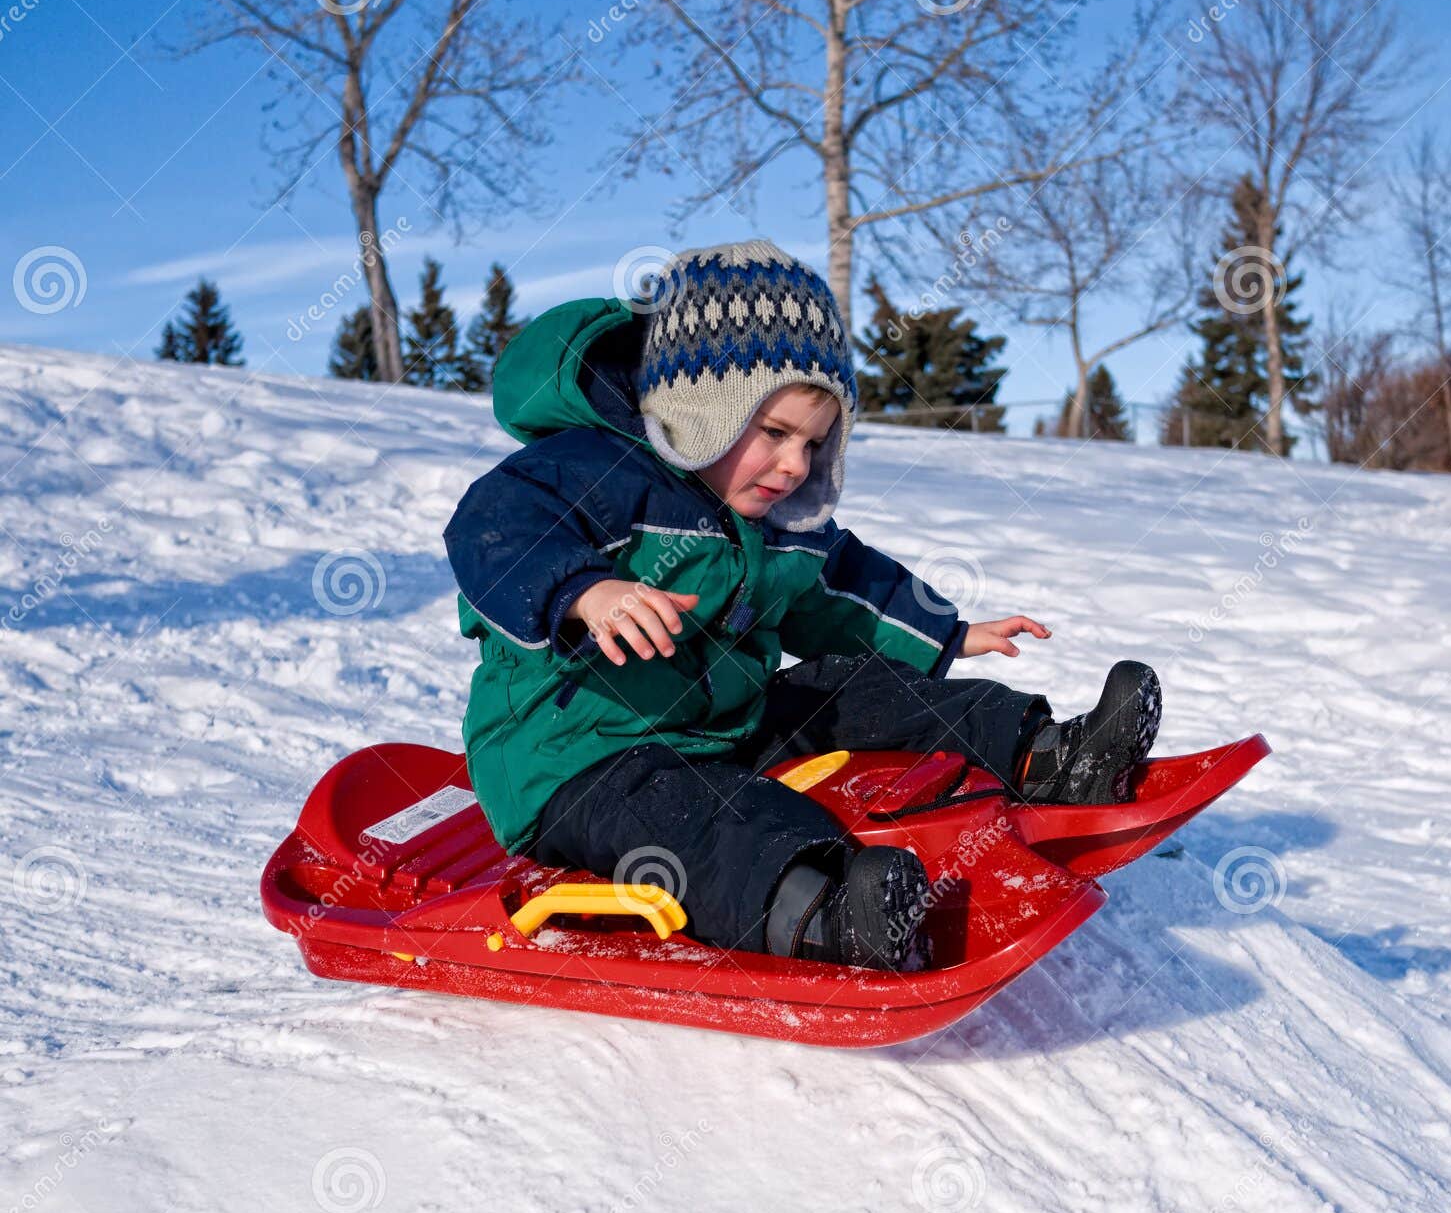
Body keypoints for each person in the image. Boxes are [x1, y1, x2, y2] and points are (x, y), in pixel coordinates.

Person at [443, 239, 1160, 972]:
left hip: (724, 727)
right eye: (775, 434)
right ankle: (822, 914)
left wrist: (948, 633)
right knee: (698, 816)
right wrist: (584, 592)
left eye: (815, 444)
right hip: (577, 766)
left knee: (846, 686)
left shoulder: (769, 516)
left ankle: (1051, 757)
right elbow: (493, 530)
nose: (795, 466)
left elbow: (840, 584)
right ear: (698, 412)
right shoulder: (591, 470)